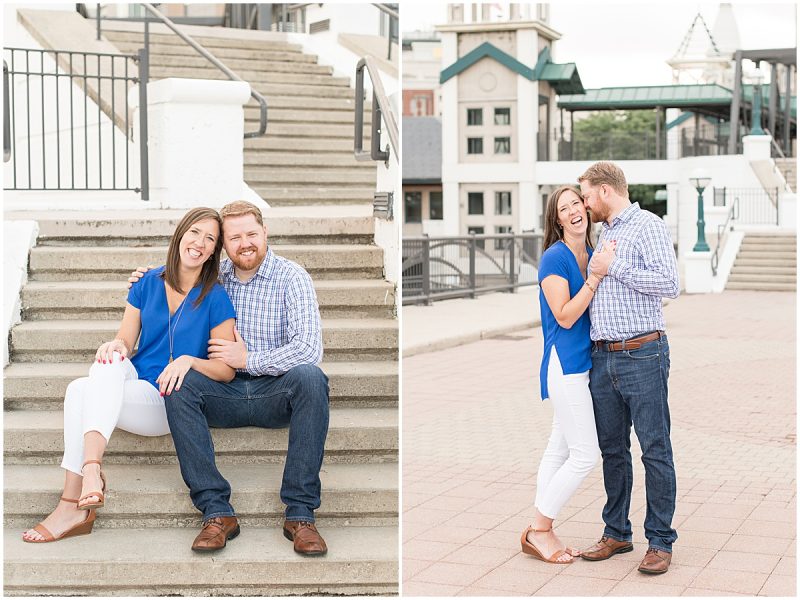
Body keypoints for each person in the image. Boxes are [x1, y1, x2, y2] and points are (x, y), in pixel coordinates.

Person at [22, 207, 236, 543]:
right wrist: (115, 344)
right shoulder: (147, 282)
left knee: (83, 390)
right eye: (194, 232)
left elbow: (225, 370)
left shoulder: (216, 298)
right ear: (180, 234)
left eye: (210, 239)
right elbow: (126, 339)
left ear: (213, 252)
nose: (199, 242)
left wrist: (189, 361)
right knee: (96, 372)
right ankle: (90, 472)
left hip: (169, 399)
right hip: (133, 382)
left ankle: (73, 500)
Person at [128, 200, 330, 555]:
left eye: (251, 234)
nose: (244, 243)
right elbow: (175, 275)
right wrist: (148, 277)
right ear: (224, 245)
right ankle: (217, 511)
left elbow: (309, 350)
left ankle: (300, 514)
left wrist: (249, 359)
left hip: (276, 390)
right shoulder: (213, 275)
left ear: (265, 232)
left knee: (312, 378)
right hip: (223, 390)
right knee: (180, 381)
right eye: (234, 238)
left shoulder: (292, 277)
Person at [578, 161, 680, 575]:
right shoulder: (606, 232)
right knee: (612, 451)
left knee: (655, 450)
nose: (584, 204)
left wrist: (610, 267)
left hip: (643, 354)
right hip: (603, 358)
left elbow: (670, 284)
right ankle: (616, 532)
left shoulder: (648, 225)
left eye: (586, 195)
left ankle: (660, 541)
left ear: (604, 190)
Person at [520, 185, 615, 564]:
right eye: (565, 208)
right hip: (564, 363)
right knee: (584, 454)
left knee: (559, 447)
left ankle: (541, 530)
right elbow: (564, 314)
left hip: (585, 363)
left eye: (578, 202)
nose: (575, 210)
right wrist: (594, 278)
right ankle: (539, 529)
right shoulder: (554, 258)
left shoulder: (590, 253)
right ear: (556, 219)